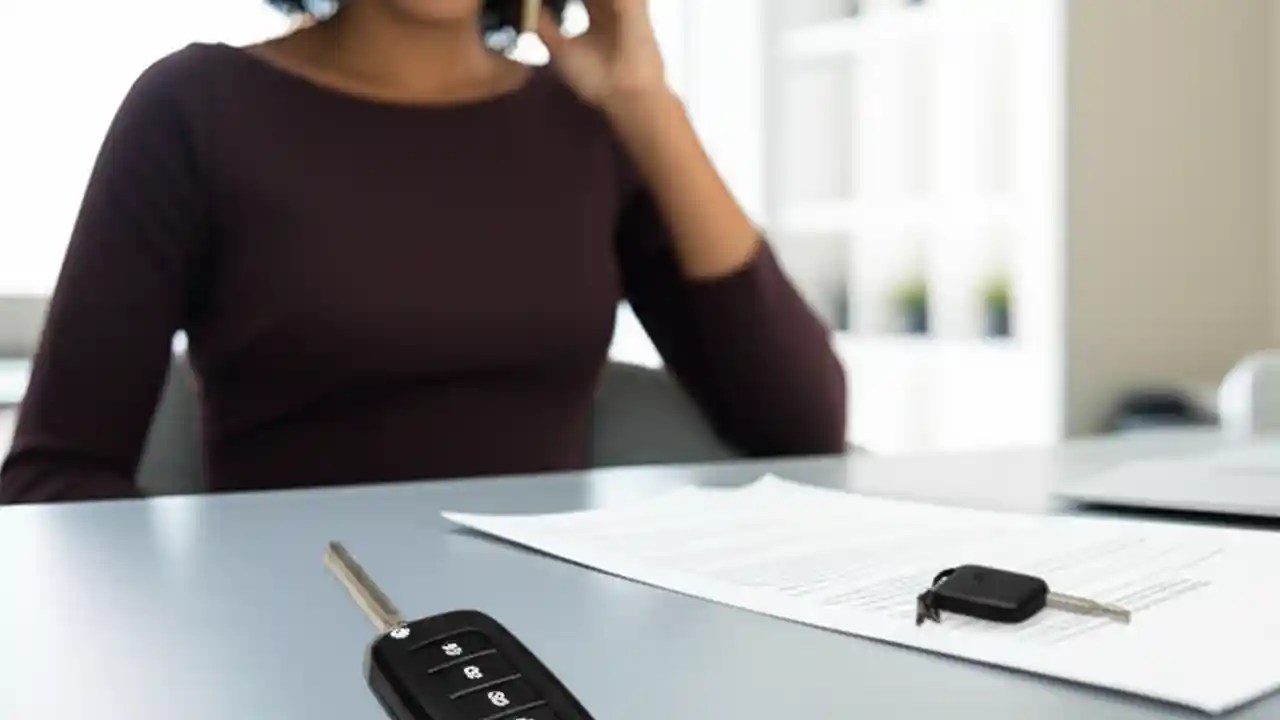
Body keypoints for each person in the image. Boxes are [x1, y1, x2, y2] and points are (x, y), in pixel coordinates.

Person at [0, 0, 846, 504]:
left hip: (542, 646)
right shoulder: (194, 108)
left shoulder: (592, 127)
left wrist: (646, 105)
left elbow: (798, 419)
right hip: (282, 633)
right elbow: (58, 478)